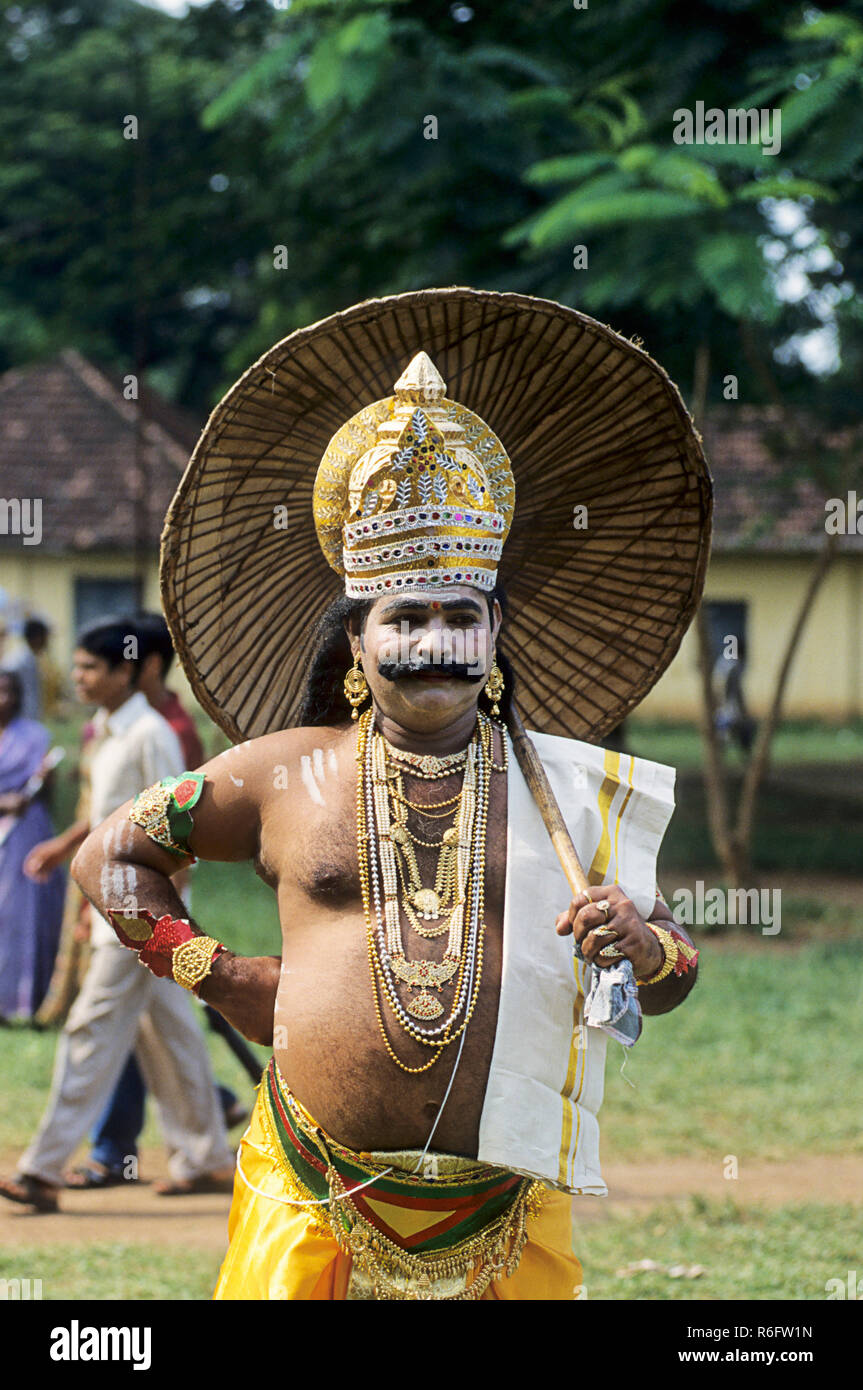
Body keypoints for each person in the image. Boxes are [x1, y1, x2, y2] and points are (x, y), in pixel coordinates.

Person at [69, 292, 708, 1299]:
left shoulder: (573, 796)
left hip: (509, 1214)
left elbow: (669, 977)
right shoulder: (281, 770)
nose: (433, 640)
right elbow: (106, 855)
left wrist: (640, 941)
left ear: (495, 637)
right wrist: (214, 970)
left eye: (461, 614)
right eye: (403, 615)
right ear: (358, 640)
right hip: (308, 1202)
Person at [0, 618, 234, 1212]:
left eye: (89, 668)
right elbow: (109, 818)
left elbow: (173, 828)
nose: (77, 677)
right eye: (76, 666)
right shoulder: (108, 730)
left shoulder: (148, 734)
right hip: (113, 907)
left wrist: (168, 919)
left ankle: (41, 1169)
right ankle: (206, 1157)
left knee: (90, 1029)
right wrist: (73, 871)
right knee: (168, 1034)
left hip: (140, 911)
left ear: (126, 671)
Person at [0, 669, 65, 1020]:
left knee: (22, 912)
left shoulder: (35, 736)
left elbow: (47, 796)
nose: (4, 699)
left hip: (26, 832)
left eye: (11, 691)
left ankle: (24, 1000)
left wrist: (45, 782)